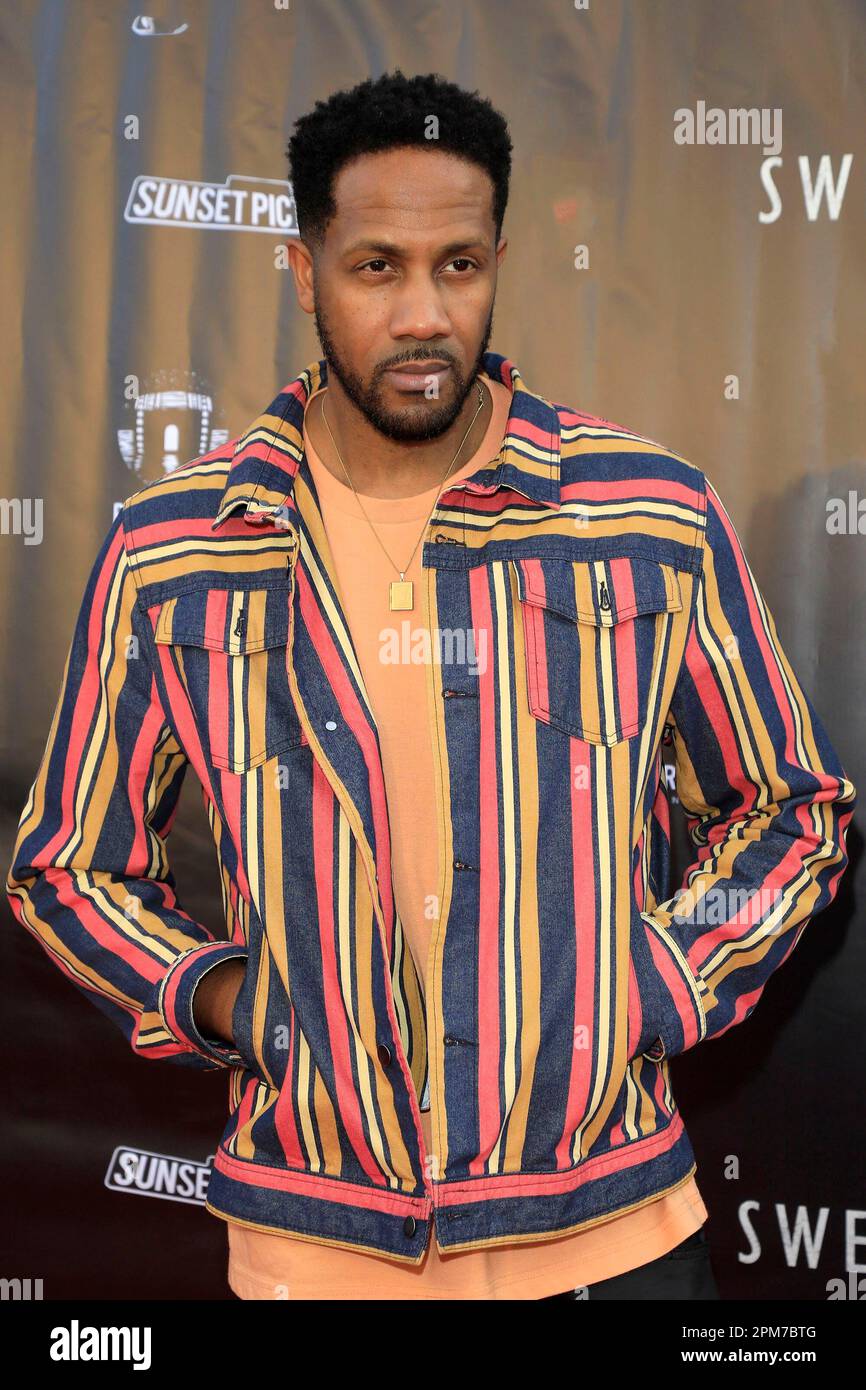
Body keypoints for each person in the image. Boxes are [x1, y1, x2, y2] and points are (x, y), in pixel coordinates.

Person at [6, 71, 856, 1302]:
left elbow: (790, 808)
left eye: (457, 266)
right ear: (303, 273)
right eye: (375, 268)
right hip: (314, 1248)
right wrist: (226, 1000)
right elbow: (65, 866)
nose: (422, 315)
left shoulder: (645, 513)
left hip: (612, 1234)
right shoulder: (177, 548)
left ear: (497, 263)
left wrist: (653, 986)